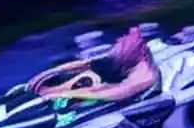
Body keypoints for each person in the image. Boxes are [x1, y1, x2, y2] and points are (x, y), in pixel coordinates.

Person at [30, 27, 159, 102]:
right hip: (94, 87)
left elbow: (112, 92)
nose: (119, 40)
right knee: (88, 74)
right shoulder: (124, 60)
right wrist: (50, 72)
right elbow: (86, 64)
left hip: (100, 101)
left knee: (89, 80)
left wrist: (61, 94)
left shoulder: (145, 75)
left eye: (125, 41)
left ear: (141, 48)